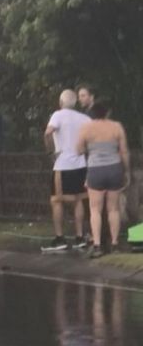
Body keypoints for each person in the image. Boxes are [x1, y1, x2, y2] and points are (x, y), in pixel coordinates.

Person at [76, 101, 130, 258]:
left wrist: (91, 149)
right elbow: (124, 151)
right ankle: (114, 244)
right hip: (114, 169)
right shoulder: (117, 127)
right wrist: (125, 170)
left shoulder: (86, 128)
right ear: (107, 112)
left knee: (95, 210)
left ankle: (98, 244)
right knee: (113, 209)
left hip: (95, 170)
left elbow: (79, 149)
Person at [43, 89, 91, 251]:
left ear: (60, 102)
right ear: (75, 102)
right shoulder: (84, 118)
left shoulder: (58, 115)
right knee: (78, 200)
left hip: (62, 164)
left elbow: (48, 133)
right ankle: (79, 237)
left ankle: (60, 238)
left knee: (56, 201)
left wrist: (51, 152)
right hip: (81, 165)